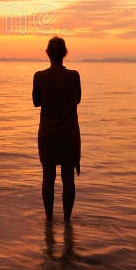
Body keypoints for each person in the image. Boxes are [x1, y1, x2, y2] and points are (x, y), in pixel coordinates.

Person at [33, 36, 81, 221]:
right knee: (68, 178)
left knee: (48, 177)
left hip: (48, 135)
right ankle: (67, 222)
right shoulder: (73, 76)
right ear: (65, 54)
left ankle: (49, 221)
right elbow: (77, 99)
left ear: (48, 54)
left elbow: (36, 102)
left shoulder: (39, 76)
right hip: (69, 135)